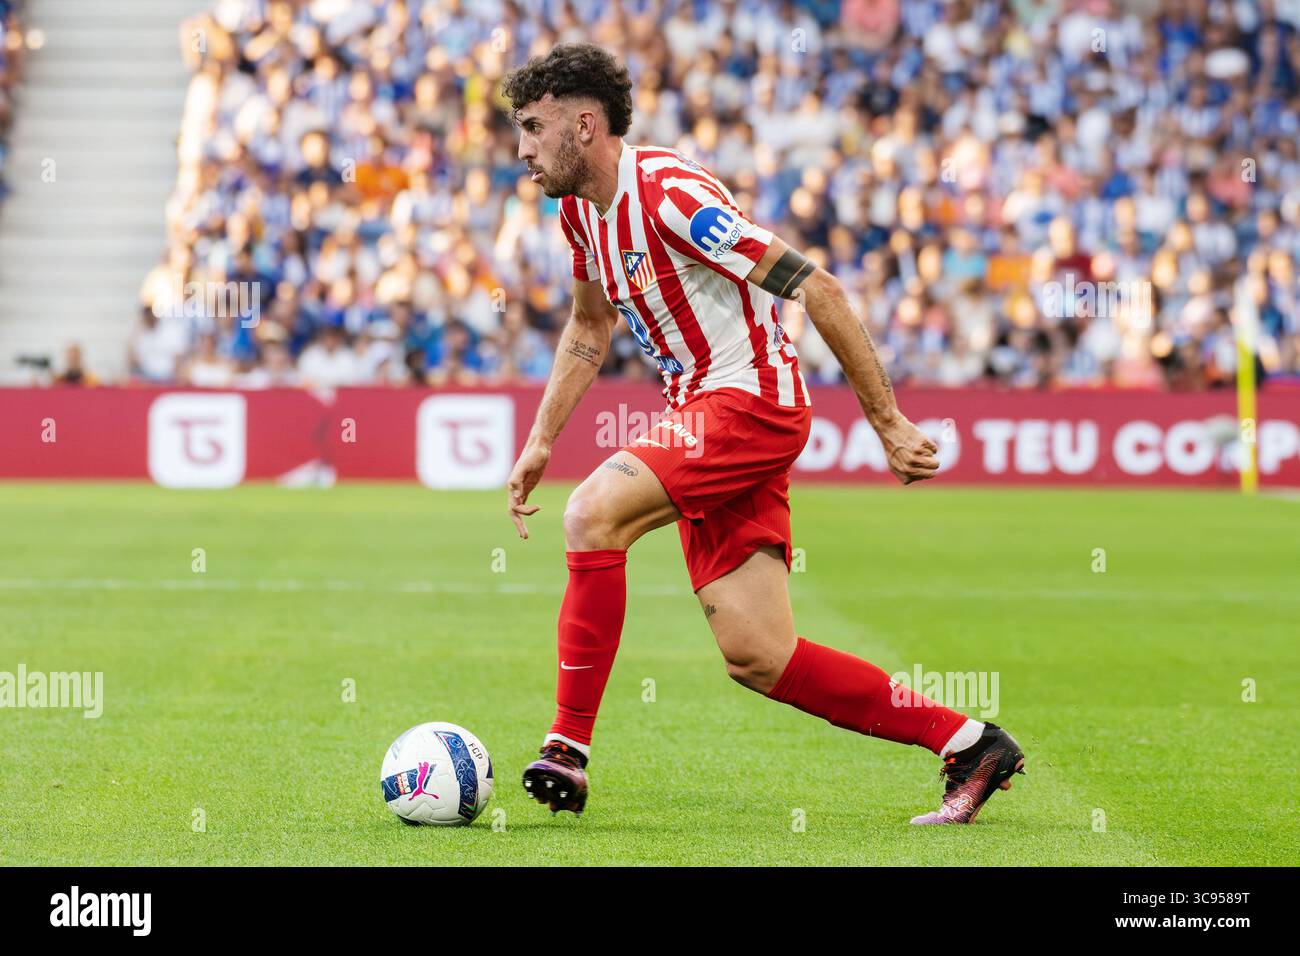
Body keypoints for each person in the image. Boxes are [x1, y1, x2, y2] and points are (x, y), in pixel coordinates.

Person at [502, 44, 1025, 826]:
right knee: (759, 655)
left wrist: (886, 421)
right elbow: (588, 323)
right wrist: (543, 436)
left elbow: (815, 284)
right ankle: (971, 742)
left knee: (591, 514)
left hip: (749, 402)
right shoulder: (578, 210)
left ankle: (566, 747)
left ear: (585, 125)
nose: (522, 150)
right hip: (702, 412)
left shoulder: (673, 195)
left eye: (534, 129)